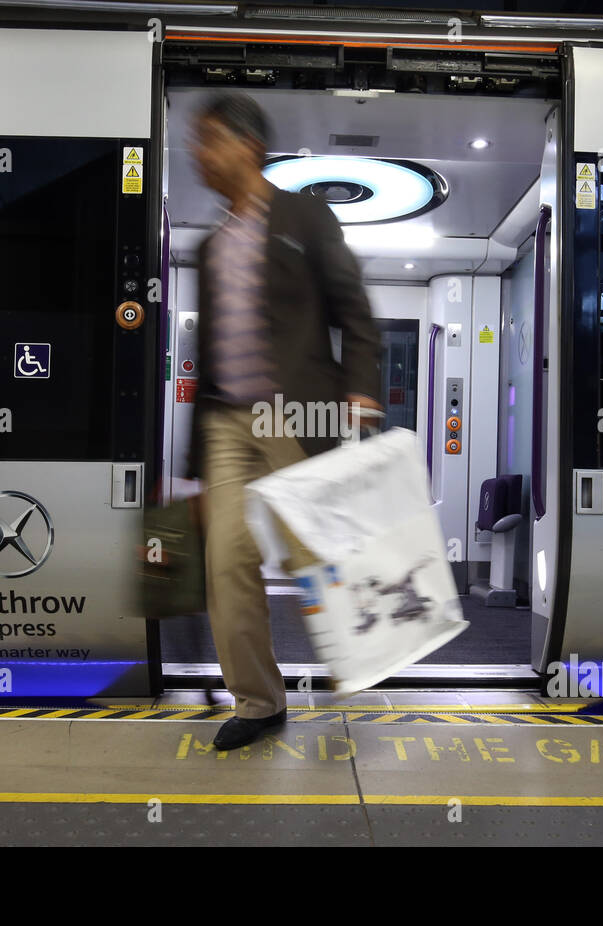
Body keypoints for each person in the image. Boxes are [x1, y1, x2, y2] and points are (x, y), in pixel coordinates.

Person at [185, 92, 382, 751]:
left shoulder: (305, 216)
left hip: (296, 415)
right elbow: (207, 357)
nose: (197, 153)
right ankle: (260, 702)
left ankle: (366, 660)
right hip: (227, 425)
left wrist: (359, 391)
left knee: (317, 559)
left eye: (208, 139)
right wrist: (197, 478)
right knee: (227, 560)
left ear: (247, 145)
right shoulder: (211, 246)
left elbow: (354, 313)